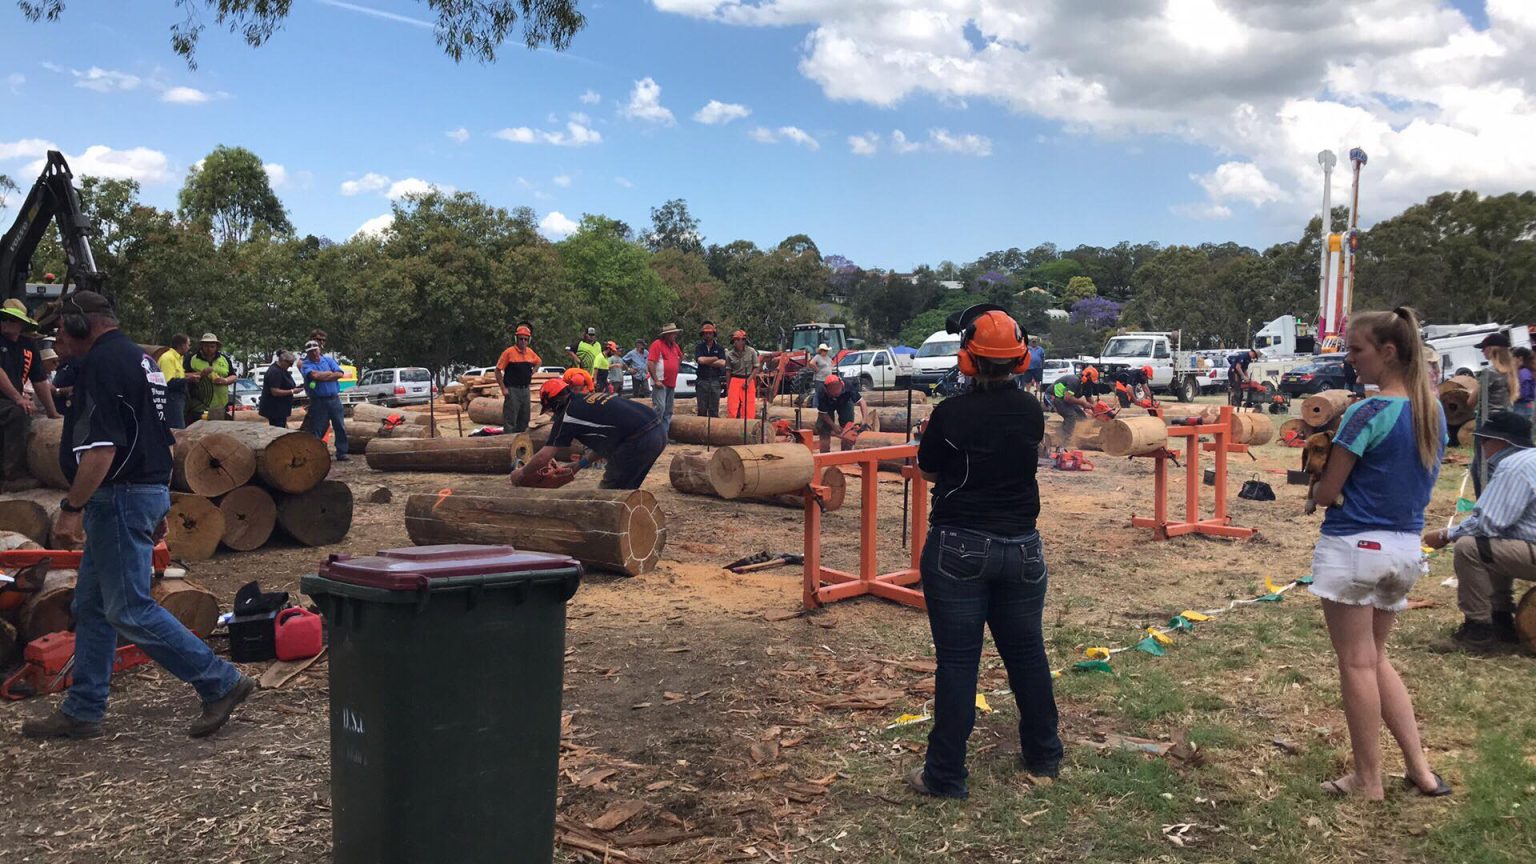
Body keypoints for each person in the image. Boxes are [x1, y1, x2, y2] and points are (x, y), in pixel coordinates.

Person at [22, 291, 255, 740]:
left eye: (58, 331)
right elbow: (164, 437)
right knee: (90, 605)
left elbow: (102, 449)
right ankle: (84, 709)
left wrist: (72, 508)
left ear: (80, 324)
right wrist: (159, 498)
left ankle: (220, 681)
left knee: (128, 607)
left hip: (118, 496)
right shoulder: (142, 361)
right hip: (140, 490)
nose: (56, 341)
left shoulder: (99, 365)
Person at [909, 305, 1060, 798]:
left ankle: (946, 775)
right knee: (1027, 654)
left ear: (967, 359)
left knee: (957, 663)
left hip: (959, 548)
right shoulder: (1031, 410)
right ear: (1019, 360)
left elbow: (929, 472)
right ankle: (1044, 754)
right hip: (1023, 549)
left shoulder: (951, 413)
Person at [1306, 307, 1449, 800]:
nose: (1350, 359)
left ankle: (1368, 779)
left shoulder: (1368, 412)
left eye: (1357, 349)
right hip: (1405, 551)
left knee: (1358, 664)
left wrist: (1315, 482)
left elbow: (1328, 493)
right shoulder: (1434, 412)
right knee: (1376, 659)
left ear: (1387, 352)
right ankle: (1420, 769)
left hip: (1355, 548)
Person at [1423, 411, 1536, 653]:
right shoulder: (1530, 460)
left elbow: (1490, 522)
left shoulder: (1514, 465)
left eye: (1486, 439)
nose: (1482, 445)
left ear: (1504, 442)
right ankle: (1501, 619)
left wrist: (1446, 535)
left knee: (1471, 546)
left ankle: (1478, 630)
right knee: (1492, 545)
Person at [510, 378, 666, 490]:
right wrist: (579, 465)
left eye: (551, 410)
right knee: (626, 491)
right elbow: (608, 444)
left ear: (555, 404)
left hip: (639, 440)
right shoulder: (584, 400)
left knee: (608, 496)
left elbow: (544, 456)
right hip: (657, 432)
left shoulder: (568, 414)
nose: (552, 415)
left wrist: (522, 473)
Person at [0, 303, 59, 490]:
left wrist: (53, 413)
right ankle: (12, 475)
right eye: (4, 318)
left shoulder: (28, 347)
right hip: (9, 401)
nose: (6, 323)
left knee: (19, 412)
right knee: (17, 412)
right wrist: (18, 398)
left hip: (9, 400)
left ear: (21, 324)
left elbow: (40, 380)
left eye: (12, 320)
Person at [300, 340, 349, 461]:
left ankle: (342, 452)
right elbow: (314, 376)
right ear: (307, 353)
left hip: (334, 399)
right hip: (318, 401)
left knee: (340, 426)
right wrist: (329, 374)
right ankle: (315, 453)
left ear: (319, 349)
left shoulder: (328, 360)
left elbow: (339, 374)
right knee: (318, 427)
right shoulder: (306, 364)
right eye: (311, 352)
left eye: (315, 350)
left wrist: (324, 376)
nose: (314, 353)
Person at [495, 324, 540, 432]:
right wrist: (503, 388)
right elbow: (497, 370)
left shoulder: (530, 352)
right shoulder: (509, 353)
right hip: (512, 390)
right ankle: (509, 443)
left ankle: (521, 443)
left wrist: (532, 372)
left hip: (525, 390)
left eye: (525, 339)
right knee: (510, 419)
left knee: (524, 419)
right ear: (516, 339)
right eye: (521, 339)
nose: (523, 341)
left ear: (528, 340)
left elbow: (539, 362)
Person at [184, 333, 237, 423]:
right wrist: (201, 374)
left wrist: (225, 380)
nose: (209, 349)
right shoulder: (192, 359)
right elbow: (182, 375)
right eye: (206, 346)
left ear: (216, 347)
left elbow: (233, 376)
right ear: (201, 346)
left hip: (219, 405)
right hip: (198, 406)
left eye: (212, 346)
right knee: (198, 431)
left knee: (217, 431)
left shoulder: (224, 359)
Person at [816, 374, 869, 447]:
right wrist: (833, 426)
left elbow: (862, 402)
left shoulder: (848, 386)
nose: (835, 395)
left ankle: (846, 450)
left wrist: (864, 420)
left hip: (845, 402)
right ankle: (824, 451)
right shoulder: (822, 392)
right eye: (833, 394)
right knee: (823, 426)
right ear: (826, 390)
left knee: (848, 425)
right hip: (828, 406)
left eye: (837, 393)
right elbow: (823, 414)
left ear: (841, 385)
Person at [647, 323, 683, 433]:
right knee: (660, 408)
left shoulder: (675, 346)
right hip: (661, 382)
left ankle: (663, 434)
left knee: (668, 410)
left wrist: (675, 365)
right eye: (673, 334)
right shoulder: (657, 344)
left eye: (675, 334)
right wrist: (656, 380)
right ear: (667, 335)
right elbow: (650, 363)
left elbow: (680, 357)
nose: (675, 336)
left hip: (671, 382)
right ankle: (653, 432)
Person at [1051, 365, 1100, 441]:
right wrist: (1083, 403)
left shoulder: (1087, 385)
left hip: (1065, 400)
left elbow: (1089, 399)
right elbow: (1067, 398)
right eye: (1091, 381)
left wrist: (1097, 411)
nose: (1092, 384)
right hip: (1054, 398)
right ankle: (1064, 439)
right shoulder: (1074, 381)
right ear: (1086, 377)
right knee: (1071, 415)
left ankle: (1073, 435)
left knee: (1081, 416)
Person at [693, 322, 727, 418]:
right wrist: (715, 358)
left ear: (713, 334)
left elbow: (723, 363)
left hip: (715, 381)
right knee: (702, 409)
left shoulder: (719, 348)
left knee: (714, 410)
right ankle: (701, 432)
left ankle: (713, 432)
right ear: (703, 334)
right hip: (702, 381)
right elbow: (700, 360)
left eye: (710, 333)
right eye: (705, 333)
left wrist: (706, 360)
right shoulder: (699, 347)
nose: (708, 335)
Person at [259, 350, 300, 428]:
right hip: (275, 410)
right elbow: (275, 391)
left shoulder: (282, 370)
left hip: (281, 409)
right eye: (290, 364)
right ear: (283, 361)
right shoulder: (275, 372)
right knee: (278, 430)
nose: (291, 366)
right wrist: (292, 391)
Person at [159, 334, 190, 430]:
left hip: (179, 398)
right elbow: (168, 383)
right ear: (182, 345)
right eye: (188, 344)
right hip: (172, 398)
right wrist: (188, 379)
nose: (189, 347)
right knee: (177, 429)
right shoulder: (168, 358)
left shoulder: (179, 358)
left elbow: (178, 376)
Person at [726, 330, 759, 419]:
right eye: (735, 340)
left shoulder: (751, 352)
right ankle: (731, 427)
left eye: (740, 340)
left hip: (748, 379)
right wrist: (728, 387)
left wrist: (748, 381)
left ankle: (748, 428)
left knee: (749, 407)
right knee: (732, 407)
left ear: (744, 341)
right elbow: (728, 371)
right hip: (735, 379)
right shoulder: (729, 354)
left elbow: (756, 367)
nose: (737, 342)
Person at [1512, 346, 1535, 418]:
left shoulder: (1523, 372)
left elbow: (1524, 392)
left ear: (1520, 358)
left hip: (1523, 405)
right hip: (1528, 404)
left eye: (1513, 358)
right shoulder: (1529, 370)